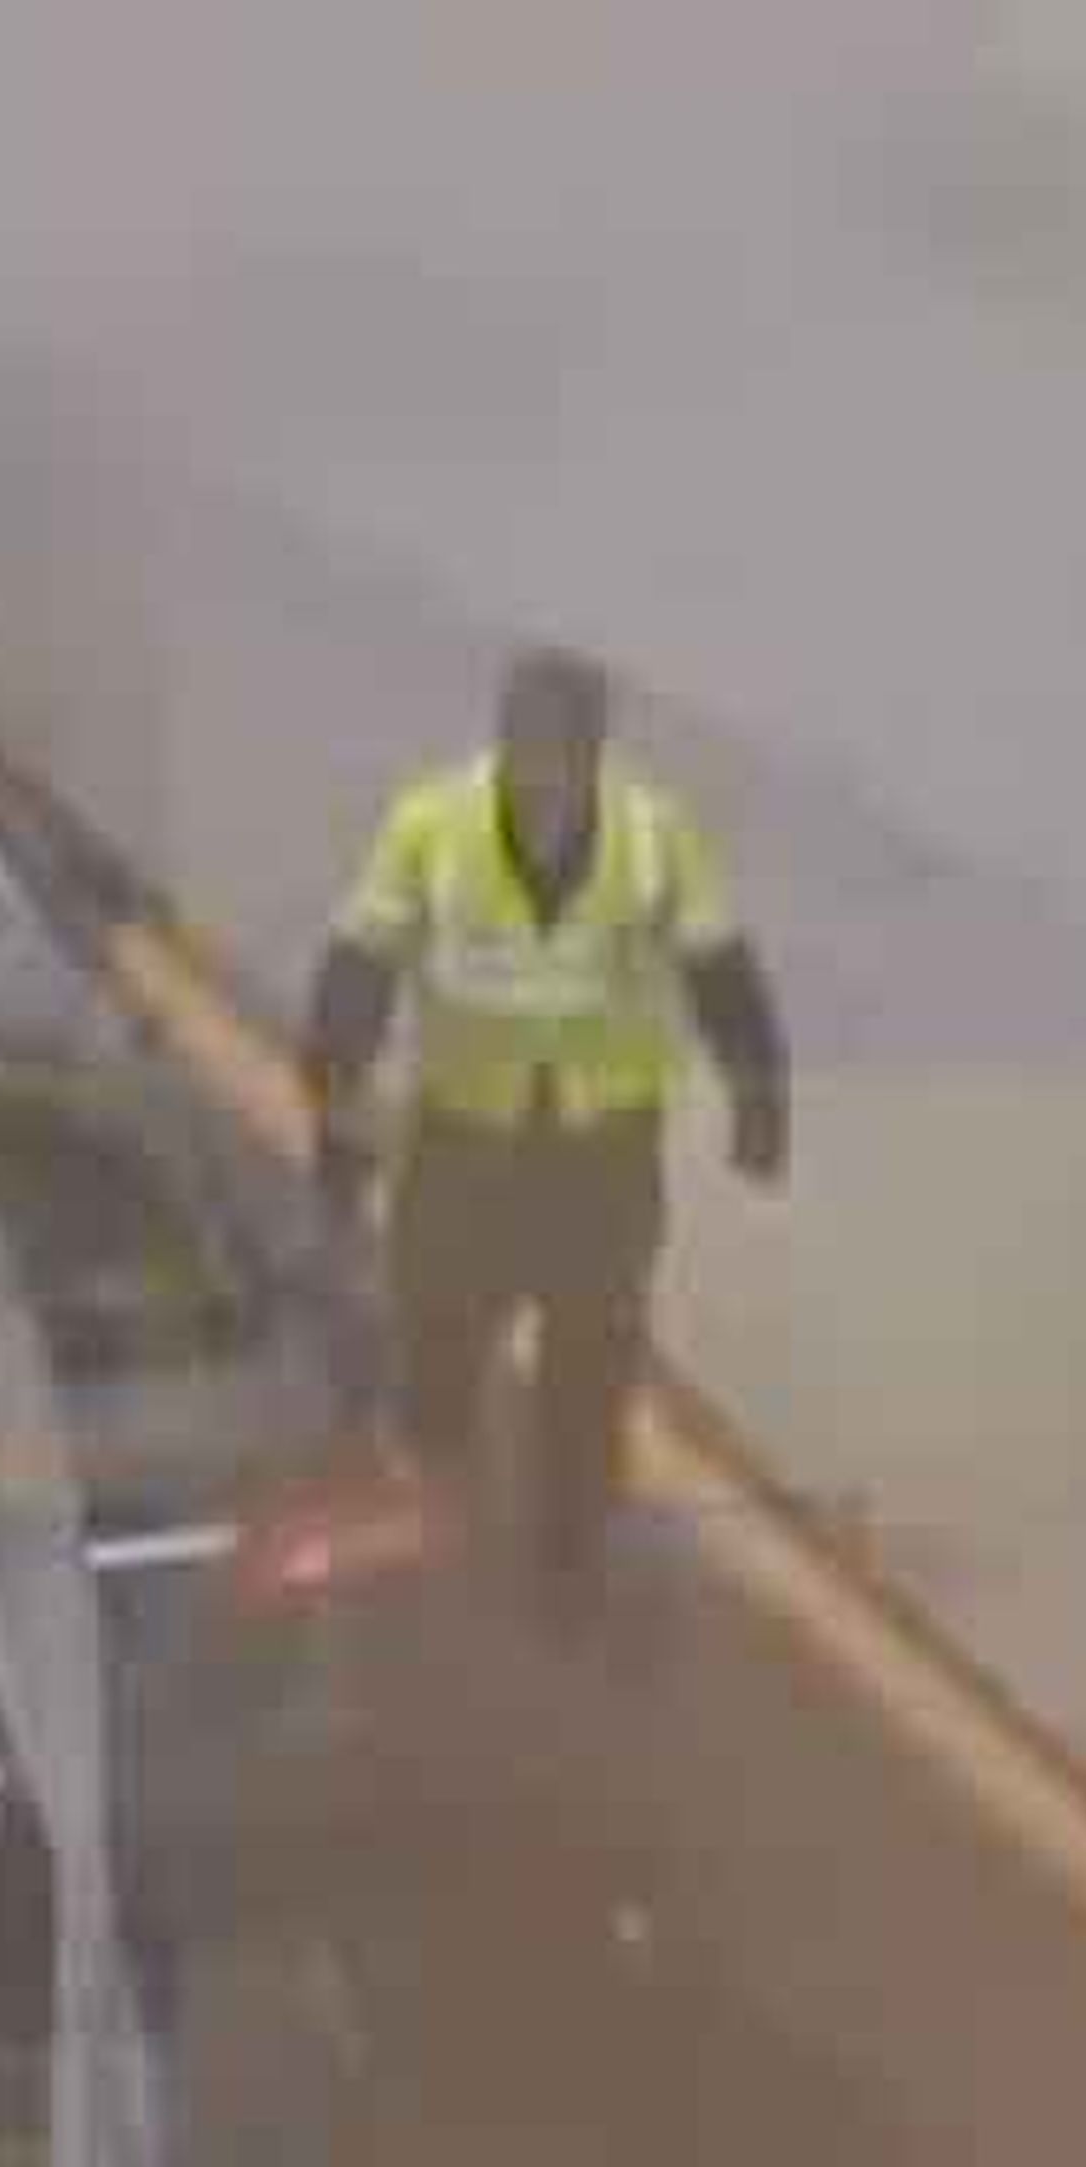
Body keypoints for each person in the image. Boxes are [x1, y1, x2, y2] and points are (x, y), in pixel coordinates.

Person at [300, 645, 789, 1641]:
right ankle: (422, 1553)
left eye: (557, 753)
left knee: (590, 1364)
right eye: (523, 747)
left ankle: (568, 1561)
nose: (537, 773)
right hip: (462, 1143)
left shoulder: (655, 837)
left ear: (592, 753)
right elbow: (359, 966)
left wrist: (758, 1096)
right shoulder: (431, 825)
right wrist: (338, 1108)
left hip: (599, 1156)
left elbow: (720, 969)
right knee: (434, 1350)